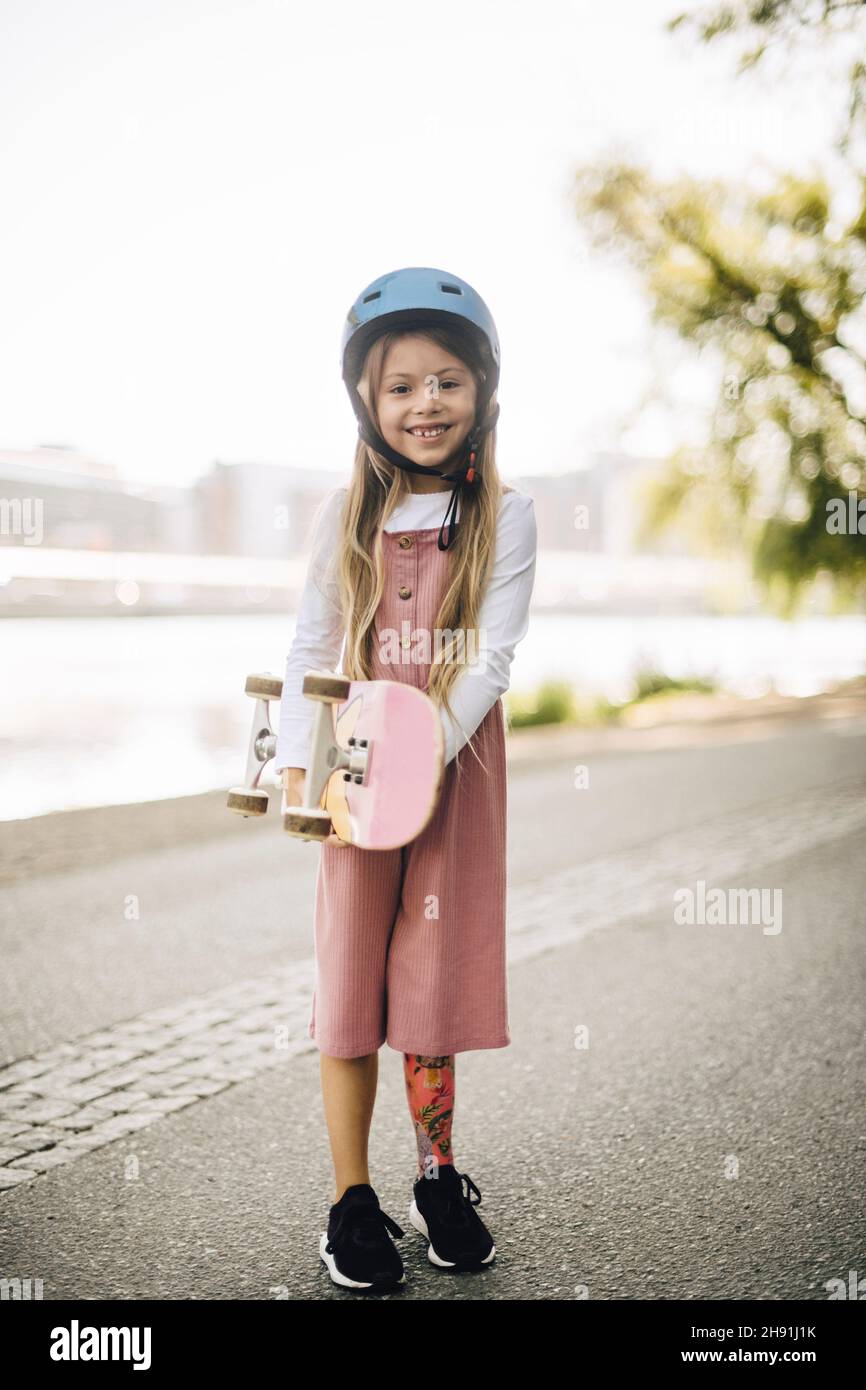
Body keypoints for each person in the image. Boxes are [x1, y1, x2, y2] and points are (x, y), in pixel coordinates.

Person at [274, 267, 537, 1292]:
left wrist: (420, 755)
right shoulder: (342, 515)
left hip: (447, 769)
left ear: (480, 395)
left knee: (430, 978)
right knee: (350, 980)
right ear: (366, 405)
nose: (423, 403)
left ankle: (437, 1175)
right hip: (353, 771)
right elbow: (309, 641)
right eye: (399, 387)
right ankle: (350, 1202)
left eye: (445, 382)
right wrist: (307, 765)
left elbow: (491, 659)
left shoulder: (502, 517)